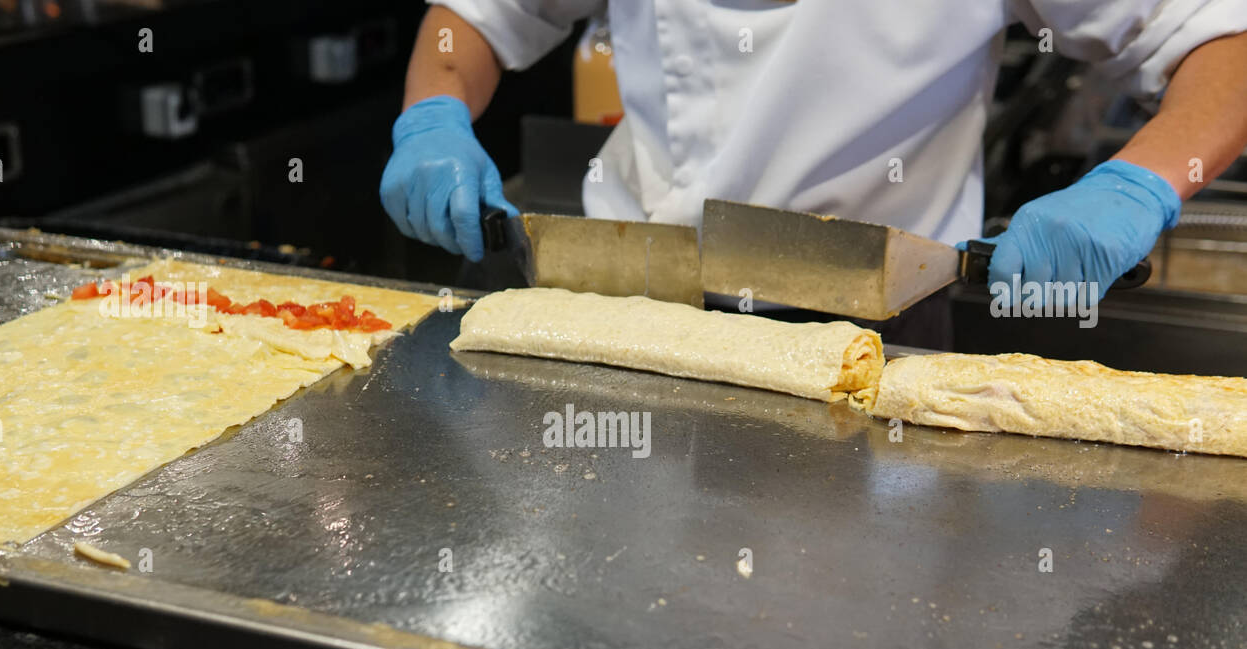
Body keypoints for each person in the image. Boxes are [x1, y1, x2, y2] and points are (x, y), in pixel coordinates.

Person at [381, 1, 1247, 339]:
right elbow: (477, 21)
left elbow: (1223, 39)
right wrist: (435, 114)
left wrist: (1139, 183)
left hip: (879, 332)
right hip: (620, 313)